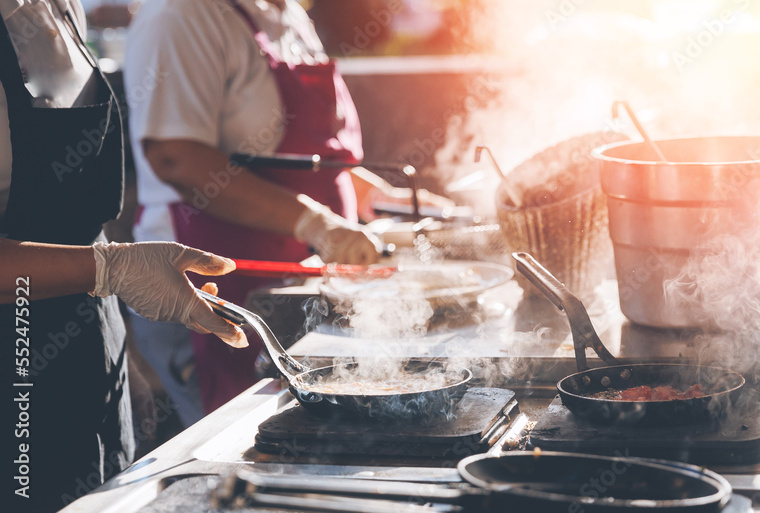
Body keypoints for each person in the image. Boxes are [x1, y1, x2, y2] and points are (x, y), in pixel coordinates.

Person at [124, 0, 438, 414]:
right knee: (243, 456)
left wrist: (378, 199)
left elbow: (299, 157)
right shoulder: (179, 15)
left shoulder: (285, 11)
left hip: (298, 283)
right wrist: (316, 223)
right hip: (215, 291)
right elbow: (176, 157)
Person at [0, 1, 247, 511]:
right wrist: (113, 269)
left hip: (89, 343)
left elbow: (76, 205)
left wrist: (119, 340)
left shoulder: (59, 8)